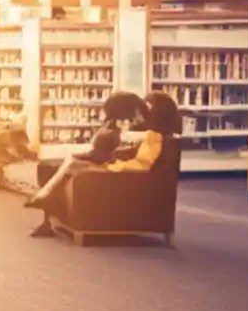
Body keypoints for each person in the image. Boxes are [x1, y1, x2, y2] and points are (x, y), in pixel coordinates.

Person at [25, 91, 177, 238]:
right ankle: (45, 204)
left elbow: (142, 165)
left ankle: (43, 198)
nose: (144, 110)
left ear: (159, 112)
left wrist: (114, 164)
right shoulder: (155, 135)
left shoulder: (155, 137)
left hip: (120, 172)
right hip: (119, 168)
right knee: (63, 164)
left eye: (148, 106)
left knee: (69, 164)